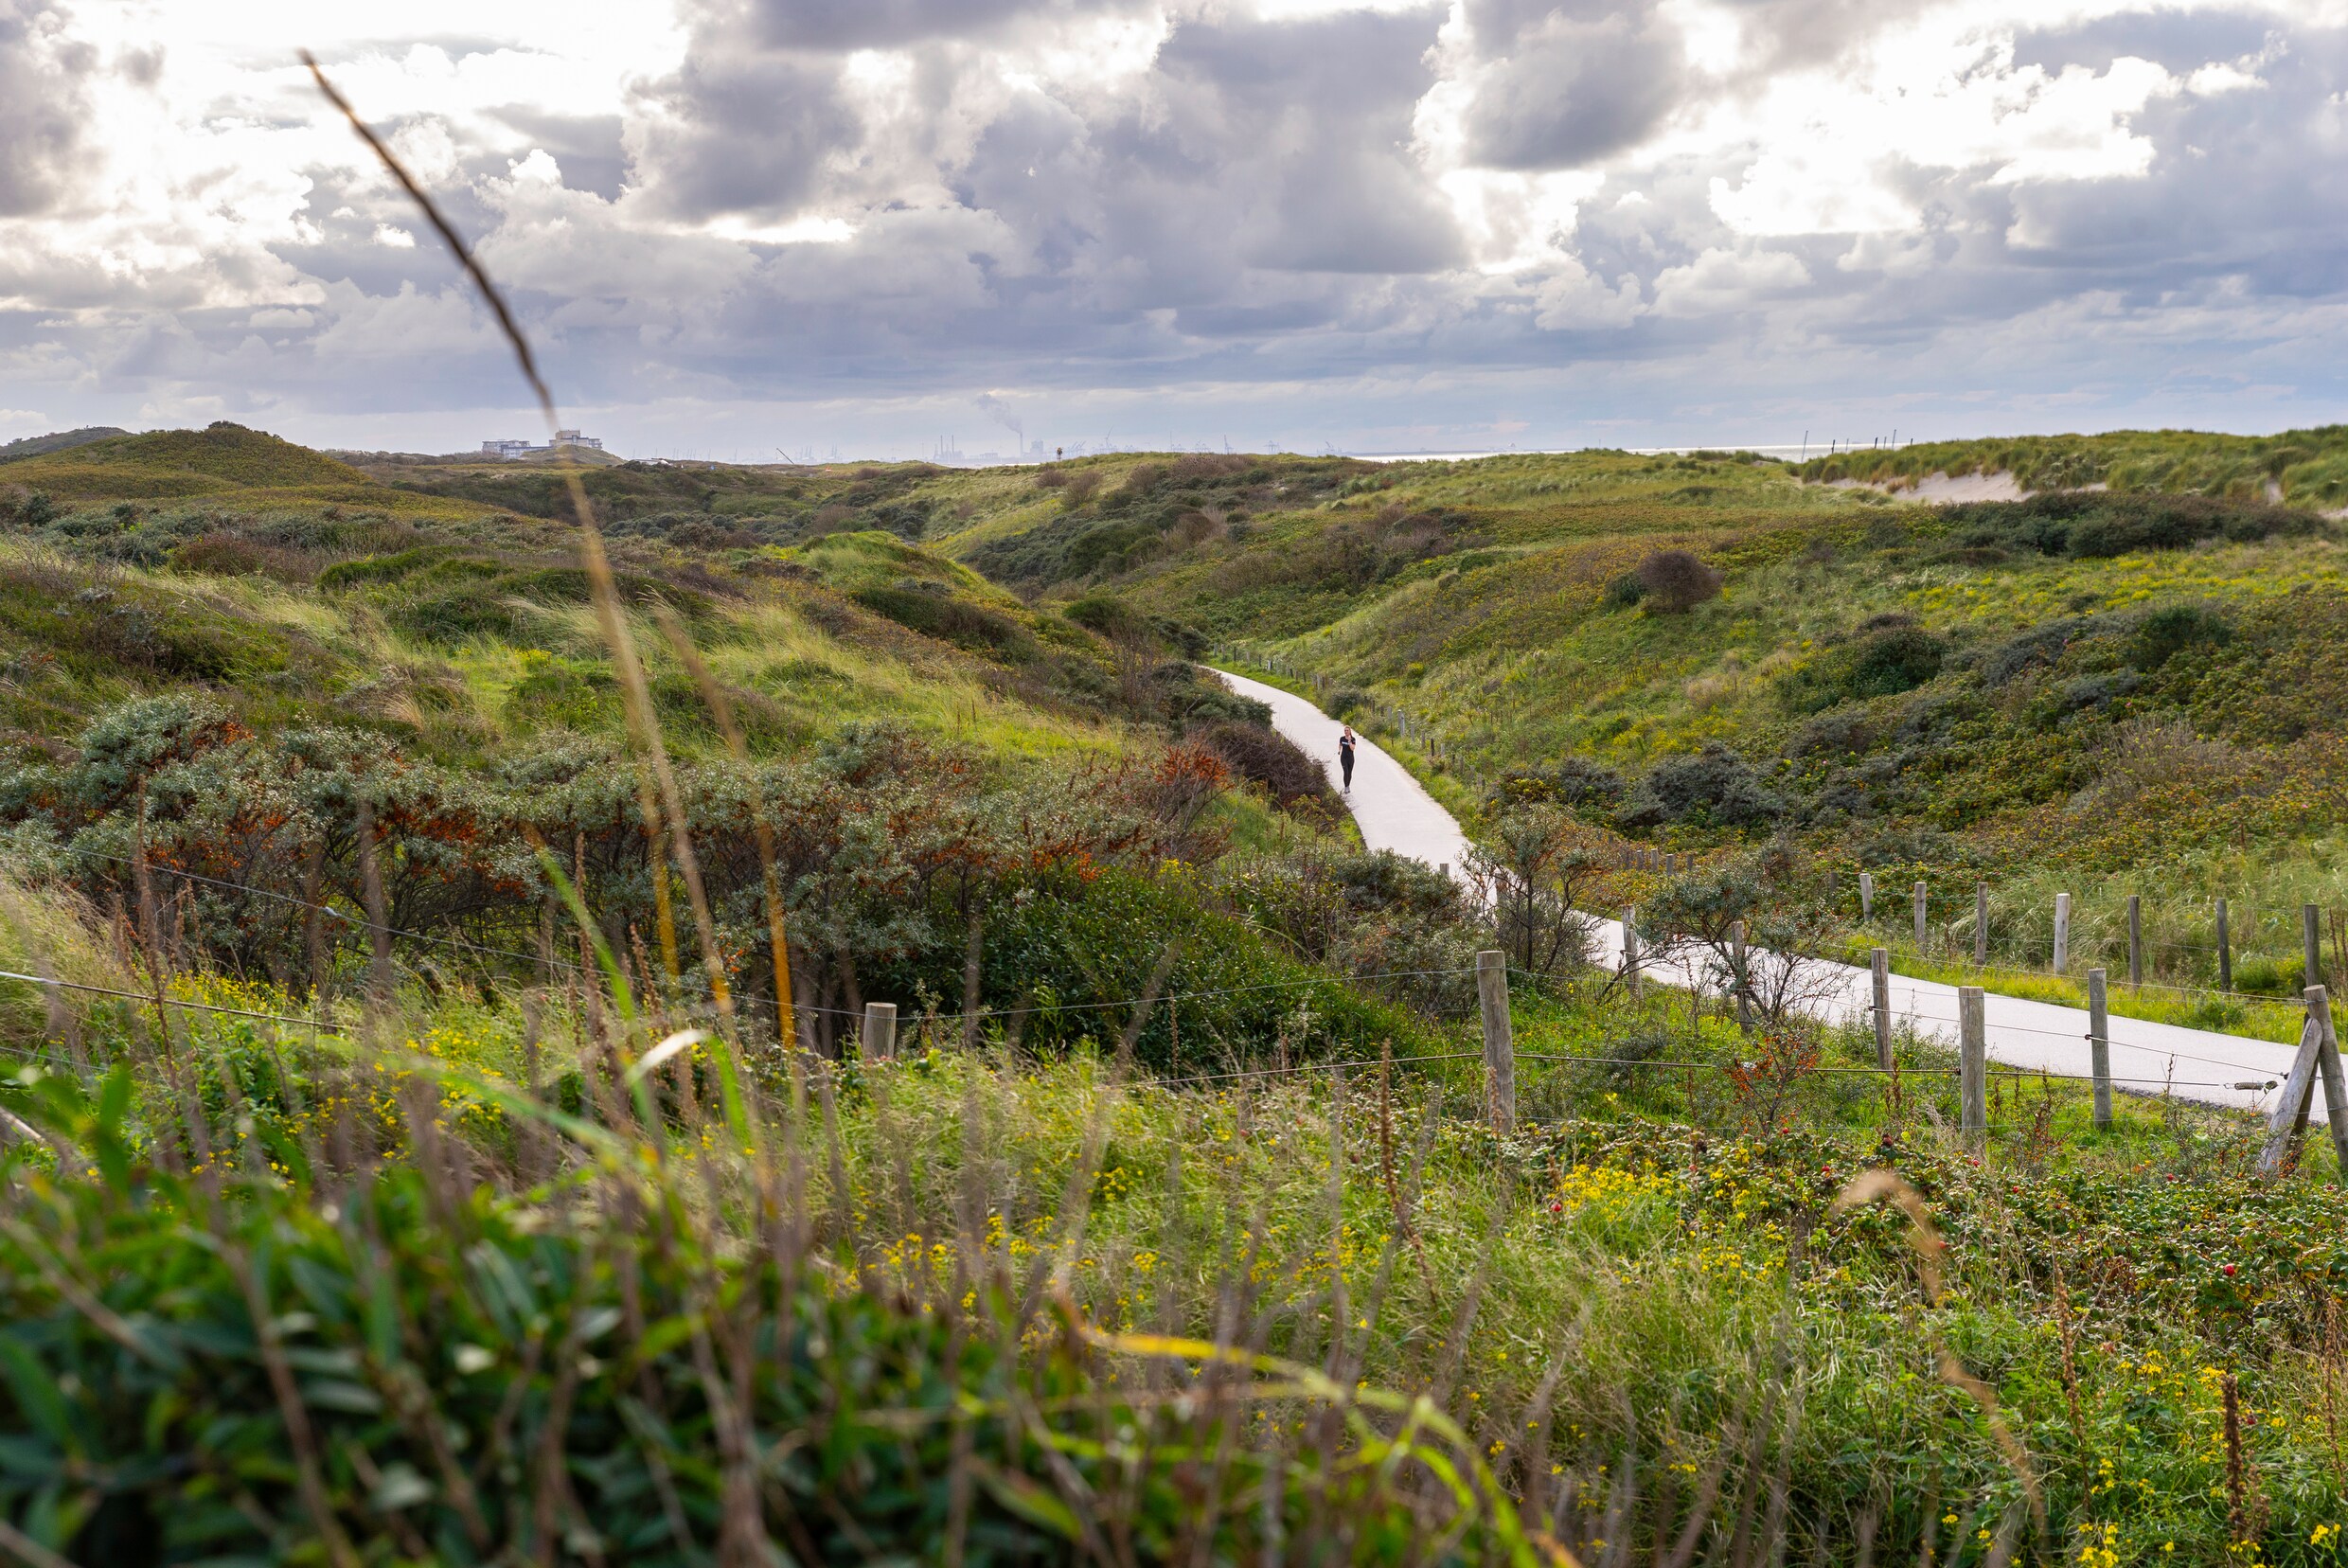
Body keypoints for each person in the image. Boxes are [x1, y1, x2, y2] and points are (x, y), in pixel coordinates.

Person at [1337, 725, 1357, 792]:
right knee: (1346, 772)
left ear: (1350, 731)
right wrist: (1339, 750)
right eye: (1345, 730)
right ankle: (1346, 787)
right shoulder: (1342, 738)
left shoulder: (1353, 739)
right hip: (1343, 758)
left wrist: (1349, 741)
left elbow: (1352, 748)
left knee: (1349, 772)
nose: (1346, 732)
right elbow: (1340, 744)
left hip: (1350, 758)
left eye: (1347, 730)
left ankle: (1348, 785)